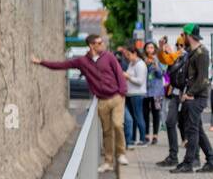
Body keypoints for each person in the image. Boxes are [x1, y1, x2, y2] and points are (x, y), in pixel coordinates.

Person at [32, 35, 128, 171]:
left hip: (116, 97)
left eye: (102, 42)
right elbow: (61, 65)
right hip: (102, 100)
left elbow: (119, 73)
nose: (102, 44)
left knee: (118, 125)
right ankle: (108, 162)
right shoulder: (82, 62)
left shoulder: (109, 57)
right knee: (107, 131)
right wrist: (41, 62)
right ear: (91, 45)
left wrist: (122, 92)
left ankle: (121, 153)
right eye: (99, 43)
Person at [173, 23, 213, 173]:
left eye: (183, 35)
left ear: (189, 35)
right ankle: (210, 159)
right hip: (192, 96)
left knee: (192, 130)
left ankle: (188, 163)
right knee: (198, 130)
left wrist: (189, 94)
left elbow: (202, 80)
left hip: (197, 97)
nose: (182, 38)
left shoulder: (202, 53)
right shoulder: (192, 51)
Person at [158, 33, 188, 167]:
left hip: (188, 94)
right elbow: (163, 59)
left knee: (193, 126)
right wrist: (160, 48)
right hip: (175, 94)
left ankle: (197, 157)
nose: (179, 47)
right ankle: (173, 156)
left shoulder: (188, 57)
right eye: (178, 45)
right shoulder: (173, 57)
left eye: (182, 45)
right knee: (170, 122)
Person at [121, 45, 147, 149]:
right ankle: (133, 138)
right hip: (130, 94)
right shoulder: (132, 64)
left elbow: (140, 81)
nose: (127, 57)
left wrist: (128, 77)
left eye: (128, 54)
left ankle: (143, 139)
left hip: (137, 94)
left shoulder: (140, 65)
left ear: (135, 53)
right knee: (133, 118)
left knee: (138, 116)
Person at [144, 41, 165, 144]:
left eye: (151, 48)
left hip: (157, 92)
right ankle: (147, 135)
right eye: (148, 48)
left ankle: (155, 135)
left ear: (155, 49)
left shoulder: (159, 59)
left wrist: (155, 64)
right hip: (145, 91)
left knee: (156, 113)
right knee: (145, 114)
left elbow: (161, 74)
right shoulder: (143, 60)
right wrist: (146, 65)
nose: (149, 50)